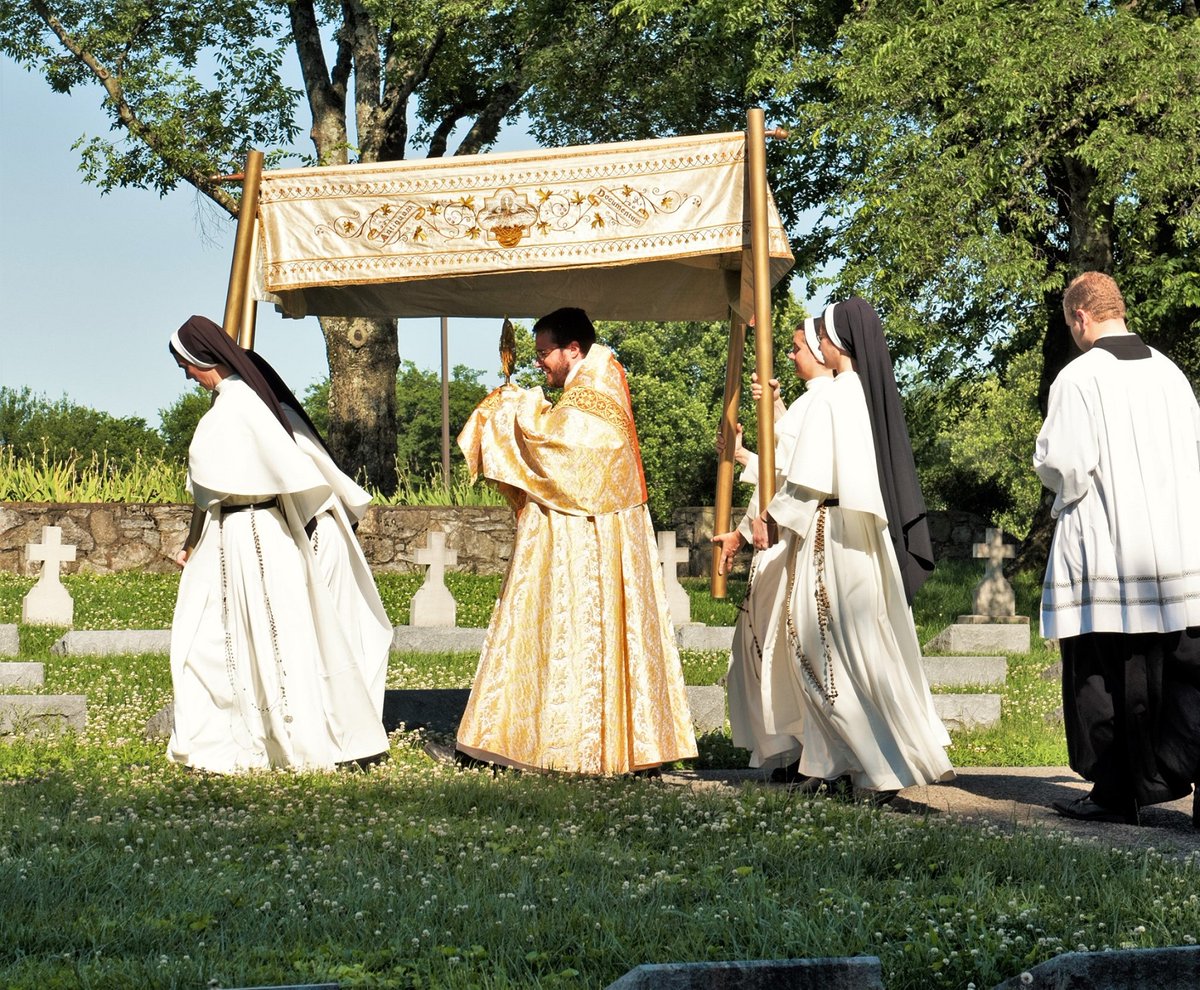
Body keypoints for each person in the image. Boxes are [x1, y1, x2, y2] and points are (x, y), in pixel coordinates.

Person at [441, 307, 697, 774]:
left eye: (544, 353)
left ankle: (545, 749)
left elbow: (561, 453)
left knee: (567, 634)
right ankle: (605, 749)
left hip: (584, 547)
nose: (539, 363)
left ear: (573, 349)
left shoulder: (596, 392)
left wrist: (510, 407)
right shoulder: (595, 384)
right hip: (594, 538)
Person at [167, 316, 390, 773]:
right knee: (225, 638)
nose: (187, 375)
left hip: (249, 535)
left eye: (185, 365)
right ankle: (258, 736)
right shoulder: (243, 405)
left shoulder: (237, 408)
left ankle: (274, 741)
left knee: (252, 638)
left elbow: (211, 487)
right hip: (244, 533)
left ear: (200, 358)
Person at [753, 298, 953, 798]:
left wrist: (767, 522)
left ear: (839, 342)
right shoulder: (865, 392)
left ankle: (876, 766)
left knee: (819, 648)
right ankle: (829, 765)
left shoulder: (837, 395)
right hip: (860, 535)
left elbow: (809, 480)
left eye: (823, 335)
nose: (818, 344)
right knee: (850, 651)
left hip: (833, 536)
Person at [1034, 272, 1200, 825]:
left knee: (1103, 673)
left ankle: (1114, 791)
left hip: (1109, 549)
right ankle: (1173, 772)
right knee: (1178, 675)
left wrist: (1047, 473)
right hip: (1176, 551)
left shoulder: (1078, 378)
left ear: (1080, 316)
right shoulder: (1172, 374)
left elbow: (1067, 467)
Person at [713, 317, 834, 777]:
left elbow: (793, 474)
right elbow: (777, 471)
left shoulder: (824, 403)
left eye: (799, 347)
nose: (791, 355)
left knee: (785, 643)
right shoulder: (807, 404)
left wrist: (752, 451)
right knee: (759, 640)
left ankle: (806, 748)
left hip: (797, 538)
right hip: (777, 533)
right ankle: (784, 748)